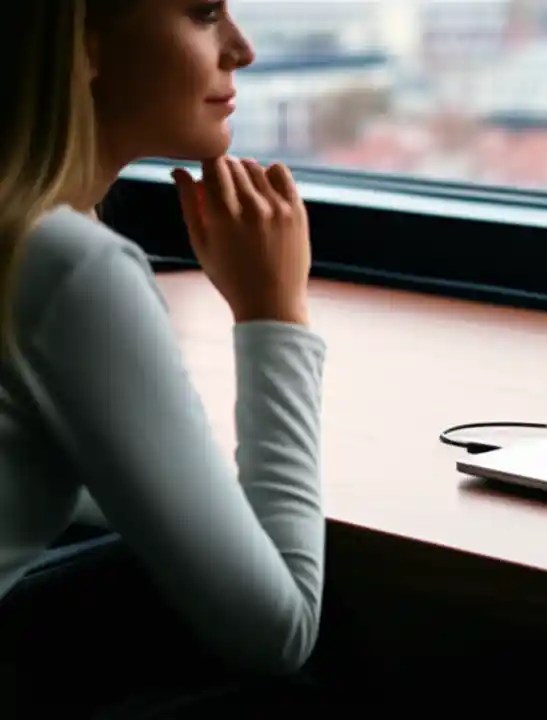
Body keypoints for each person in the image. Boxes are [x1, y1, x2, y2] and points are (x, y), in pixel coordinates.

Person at [0, 0, 329, 713]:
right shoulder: (64, 266)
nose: (240, 49)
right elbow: (280, 631)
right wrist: (274, 312)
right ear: (84, 44)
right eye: (204, 13)